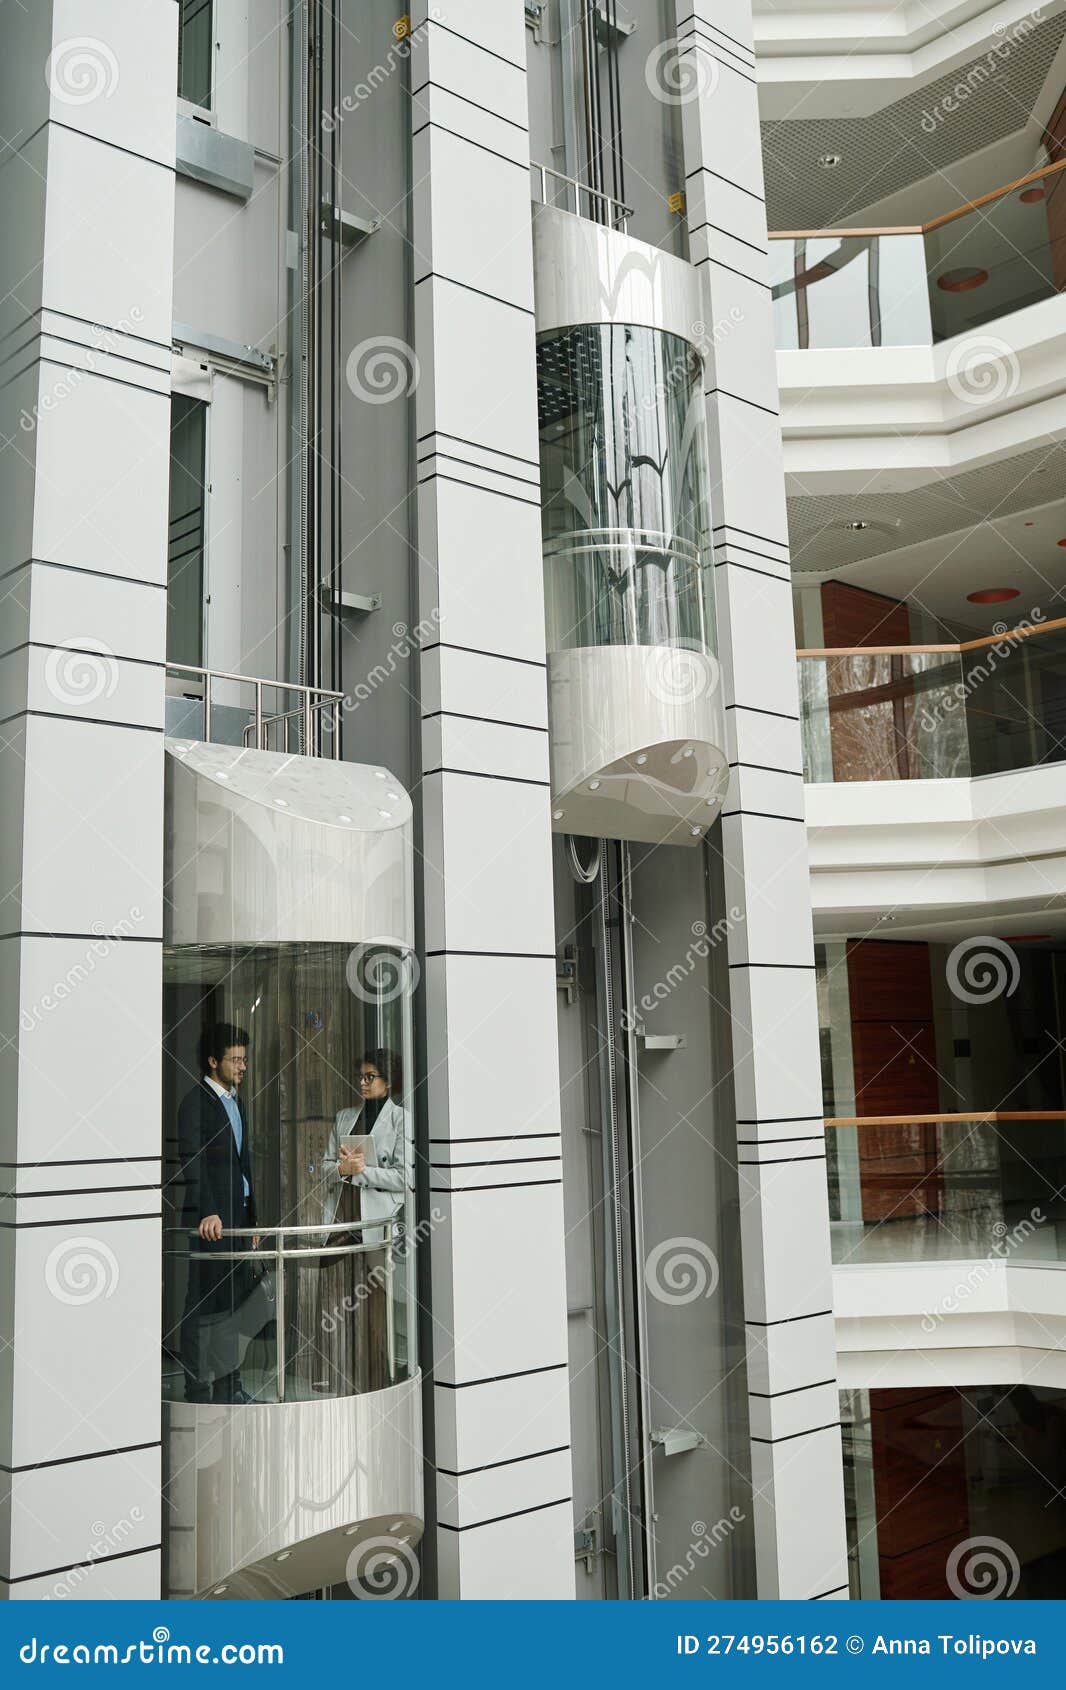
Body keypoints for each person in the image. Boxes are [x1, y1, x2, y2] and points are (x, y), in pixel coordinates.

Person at [314, 1049, 407, 1394]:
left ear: (388, 1081)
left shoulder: (401, 1121)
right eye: (361, 1077)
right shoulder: (344, 1118)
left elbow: (404, 1179)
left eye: (371, 1077)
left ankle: (374, 1382)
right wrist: (341, 1169)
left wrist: (362, 1172)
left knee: (373, 1306)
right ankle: (336, 1381)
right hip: (341, 1219)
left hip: (375, 1224)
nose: (364, 1083)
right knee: (335, 1304)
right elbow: (322, 1169)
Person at [177, 1024, 259, 1404]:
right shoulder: (195, 1102)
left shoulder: (236, 1101)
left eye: (244, 1058)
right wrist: (207, 1211)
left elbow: (243, 1164)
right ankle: (197, 1387)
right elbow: (192, 1160)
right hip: (211, 1221)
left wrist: (252, 1220)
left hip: (237, 1217)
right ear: (213, 1061)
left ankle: (229, 1387)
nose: (243, 1066)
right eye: (235, 1059)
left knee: (233, 1306)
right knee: (201, 1304)